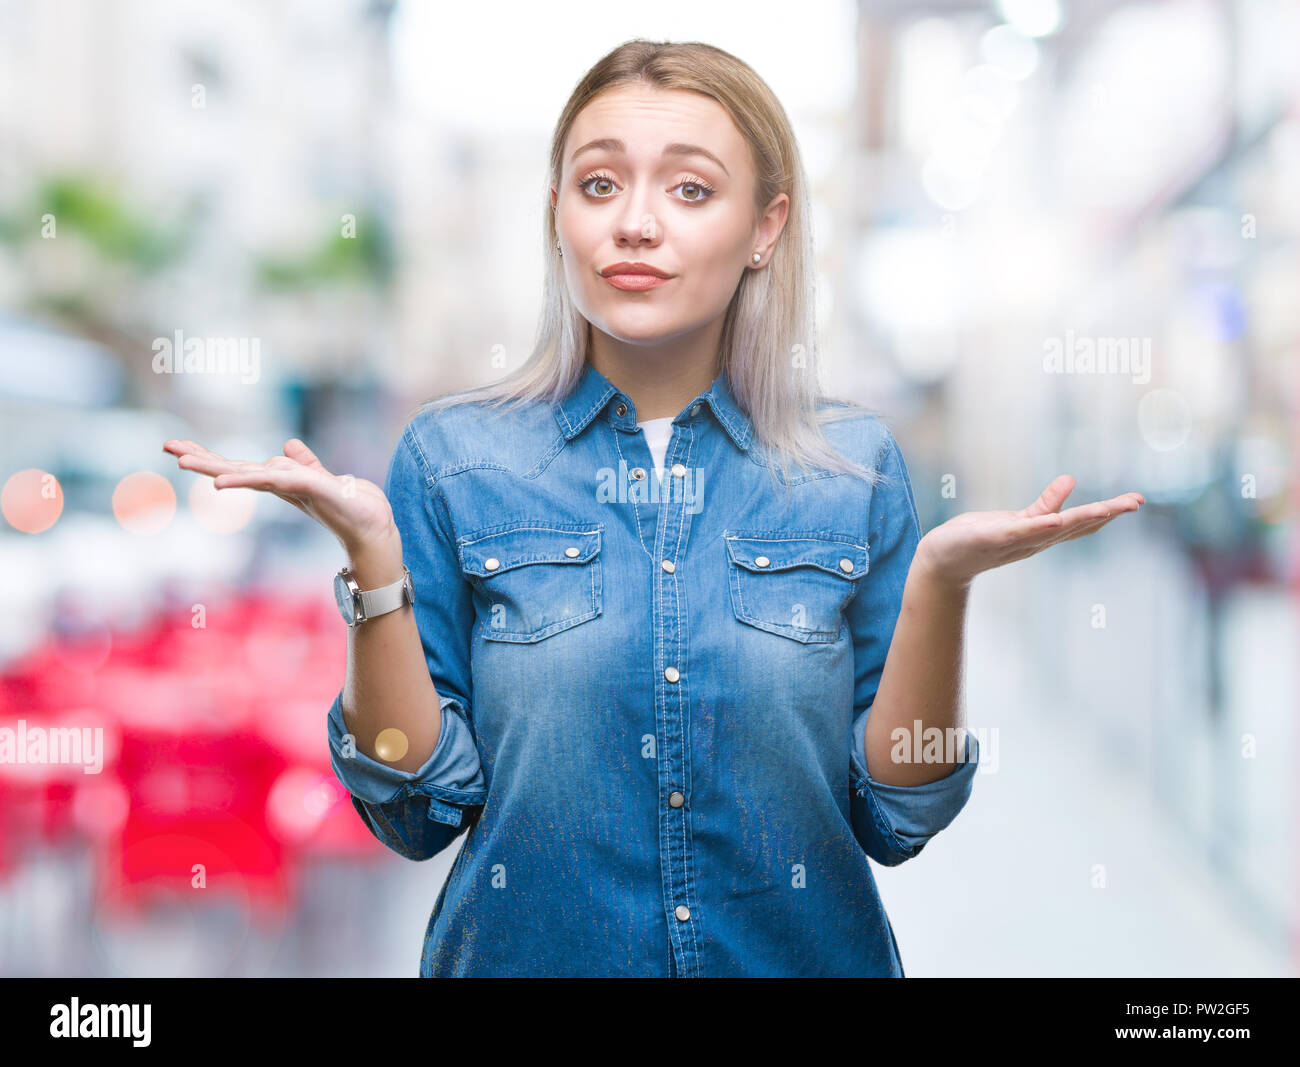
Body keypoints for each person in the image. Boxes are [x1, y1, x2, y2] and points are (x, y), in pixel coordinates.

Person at [163, 38, 1142, 977]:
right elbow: (412, 808)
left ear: (765, 227)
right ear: (558, 215)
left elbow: (900, 815)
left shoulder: (855, 466)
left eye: (688, 188)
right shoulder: (454, 460)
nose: (634, 222)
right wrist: (373, 562)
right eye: (599, 184)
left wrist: (940, 582)